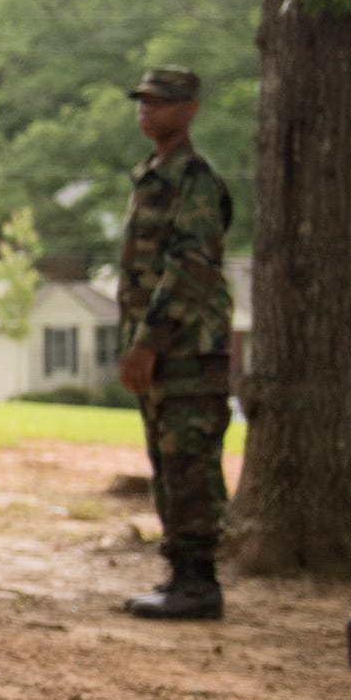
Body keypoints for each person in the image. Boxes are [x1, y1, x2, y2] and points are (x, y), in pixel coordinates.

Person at [114, 67, 234, 620]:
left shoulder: (196, 179)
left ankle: (199, 581)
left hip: (188, 350)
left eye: (161, 102)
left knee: (190, 465)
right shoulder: (151, 175)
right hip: (159, 352)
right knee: (166, 462)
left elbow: (192, 264)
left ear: (189, 110)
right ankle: (180, 574)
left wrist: (148, 343)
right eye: (143, 101)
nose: (147, 110)